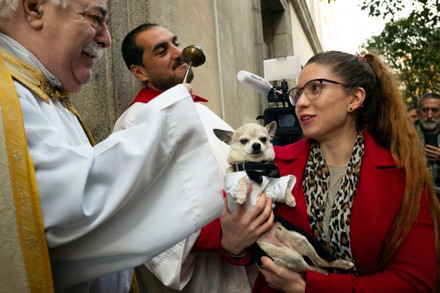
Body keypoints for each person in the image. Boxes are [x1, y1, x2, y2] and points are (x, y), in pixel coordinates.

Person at [0, 1, 224, 292]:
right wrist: (170, 124)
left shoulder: (46, 94)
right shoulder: (8, 95)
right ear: (34, 9)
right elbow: (66, 218)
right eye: (95, 18)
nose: (106, 38)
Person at [220, 51, 440, 292]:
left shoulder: (401, 174)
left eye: (315, 88)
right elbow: (219, 239)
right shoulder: (271, 165)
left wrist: (309, 287)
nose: (301, 102)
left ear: (355, 98)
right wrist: (233, 246)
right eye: (298, 93)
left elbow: (416, 280)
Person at [114, 23, 259, 292]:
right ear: (139, 72)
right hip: (207, 276)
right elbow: (147, 214)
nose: (179, 53)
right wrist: (224, 236)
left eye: (175, 43)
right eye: (161, 50)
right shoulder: (136, 121)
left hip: (250, 262)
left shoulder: (203, 111)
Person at [416, 92, 440, 198]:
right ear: (418, 112)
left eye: (435, 110)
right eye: (425, 110)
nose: (429, 115)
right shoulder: (405, 137)